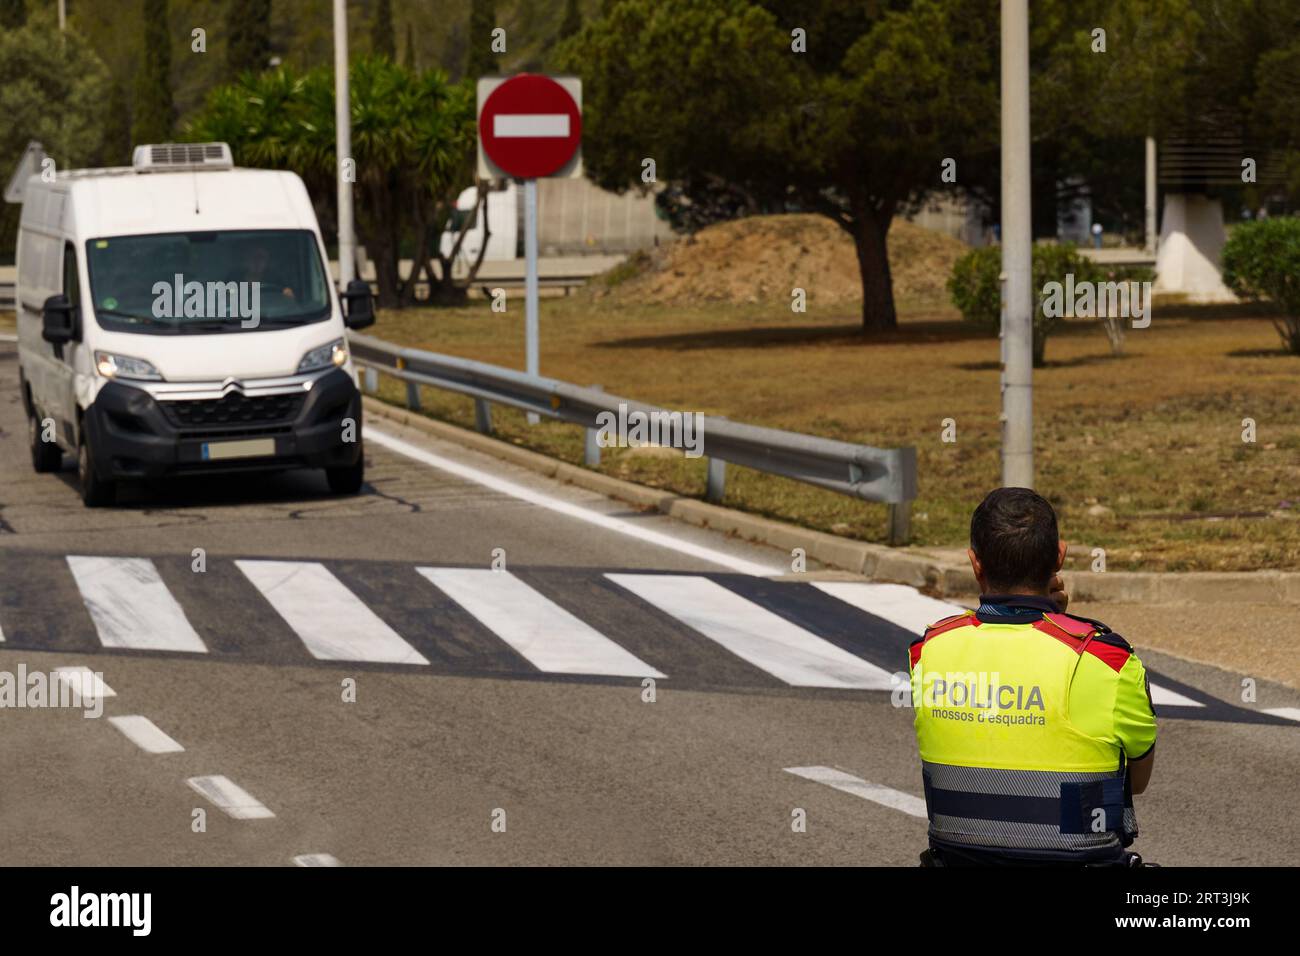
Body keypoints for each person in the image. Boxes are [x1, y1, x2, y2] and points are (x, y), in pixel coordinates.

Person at [909, 487, 1157, 866]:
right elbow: (1135, 783)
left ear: (975, 563)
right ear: (1059, 557)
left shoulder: (928, 652)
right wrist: (1064, 623)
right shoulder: (1106, 659)